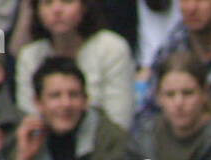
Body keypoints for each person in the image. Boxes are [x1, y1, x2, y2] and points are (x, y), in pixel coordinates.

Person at [15, 0, 134, 130]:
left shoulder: (111, 48)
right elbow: (30, 119)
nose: (57, 10)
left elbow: (119, 121)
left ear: (84, 6)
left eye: (67, 1)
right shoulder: (29, 55)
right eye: (48, 3)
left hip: (104, 143)